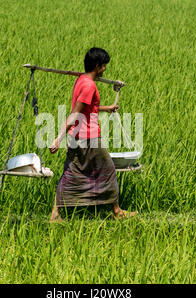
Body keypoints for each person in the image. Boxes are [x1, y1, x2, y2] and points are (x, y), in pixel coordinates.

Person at [48, 47, 136, 223]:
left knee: (71, 173)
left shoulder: (81, 80)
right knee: (108, 170)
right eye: (104, 66)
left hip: (78, 137)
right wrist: (58, 138)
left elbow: (89, 107)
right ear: (97, 66)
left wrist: (107, 108)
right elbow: (75, 113)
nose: (105, 69)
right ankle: (117, 211)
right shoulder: (89, 85)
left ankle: (56, 214)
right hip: (88, 138)